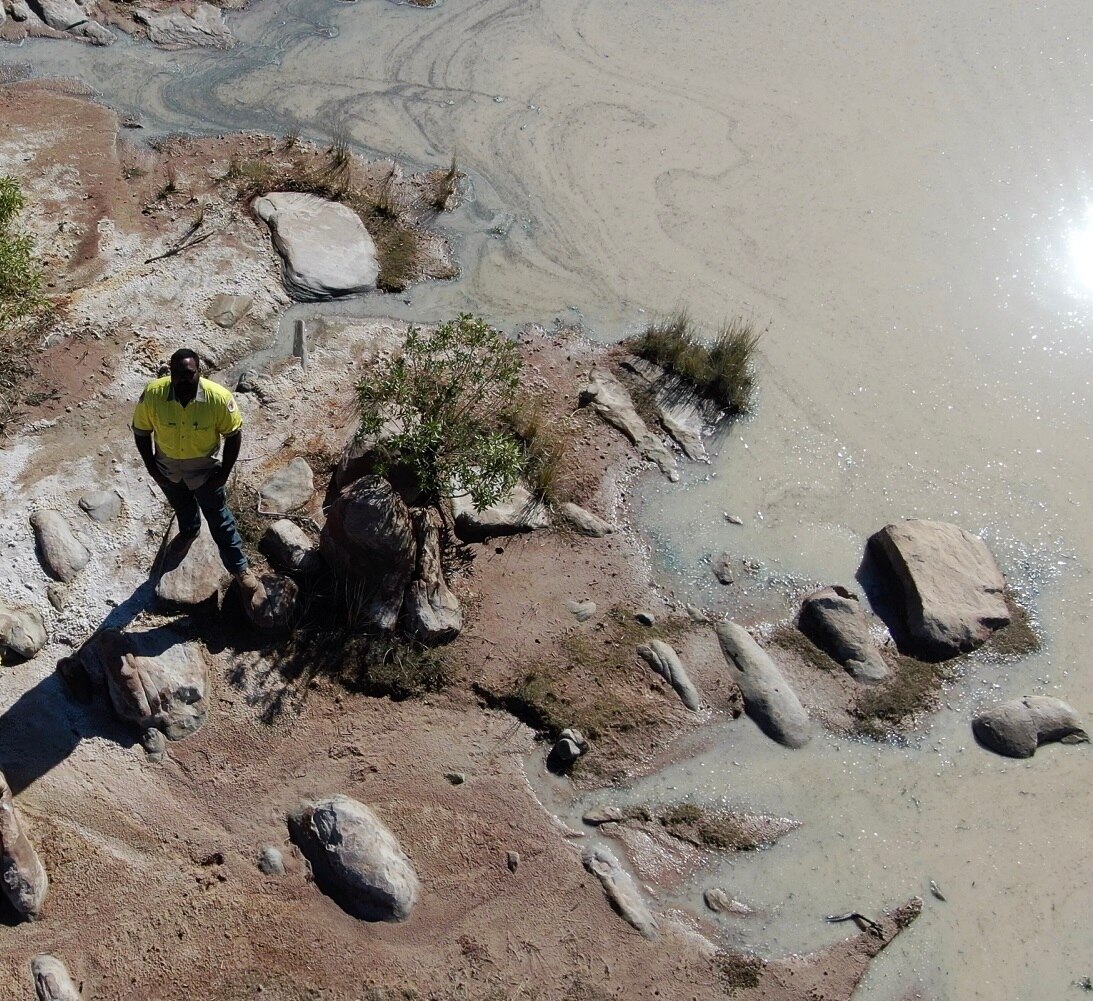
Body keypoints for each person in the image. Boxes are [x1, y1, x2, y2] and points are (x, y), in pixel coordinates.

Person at [132, 348, 263, 605]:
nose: (183, 380)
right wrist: (151, 468)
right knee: (183, 508)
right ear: (170, 374)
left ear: (199, 373)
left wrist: (224, 473)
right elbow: (141, 432)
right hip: (169, 469)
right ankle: (189, 532)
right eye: (177, 375)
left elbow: (233, 435)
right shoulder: (153, 395)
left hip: (205, 471)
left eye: (189, 374)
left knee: (220, 519)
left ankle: (240, 569)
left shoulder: (218, 398)